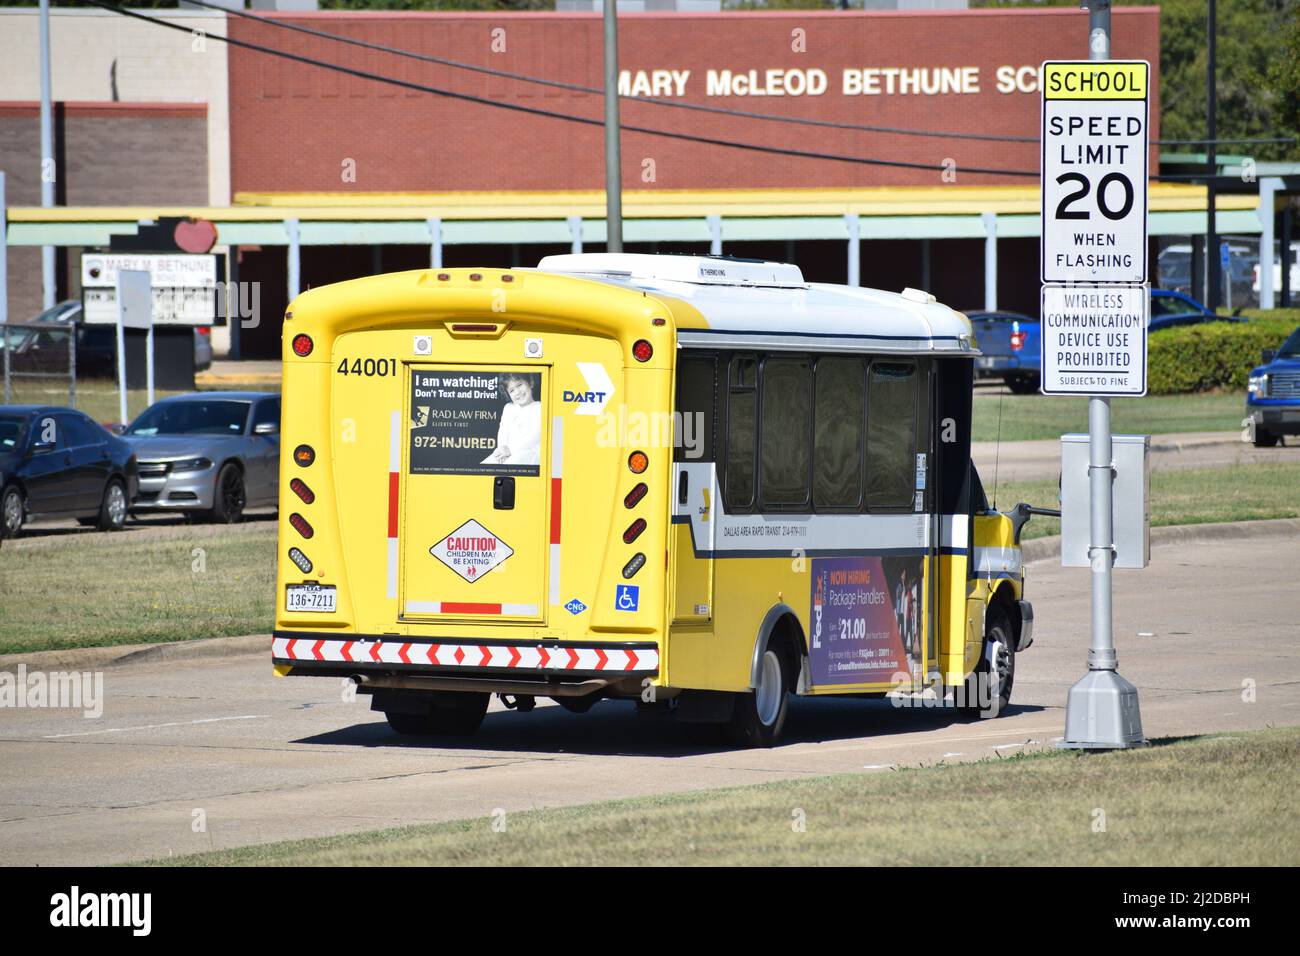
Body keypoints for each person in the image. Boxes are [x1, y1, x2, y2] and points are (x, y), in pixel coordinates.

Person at [482, 374, 541, 466]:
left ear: (531, 383)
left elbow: (534, 436)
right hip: (506, 452)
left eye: (520, 385)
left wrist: (510, 449)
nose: (517, 392)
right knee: (486, 464)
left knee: (514, 461)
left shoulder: (540, 407)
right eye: (512, 390)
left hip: (528, 451)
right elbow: (502, 432)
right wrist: (502, 449)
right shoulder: (509, 408)